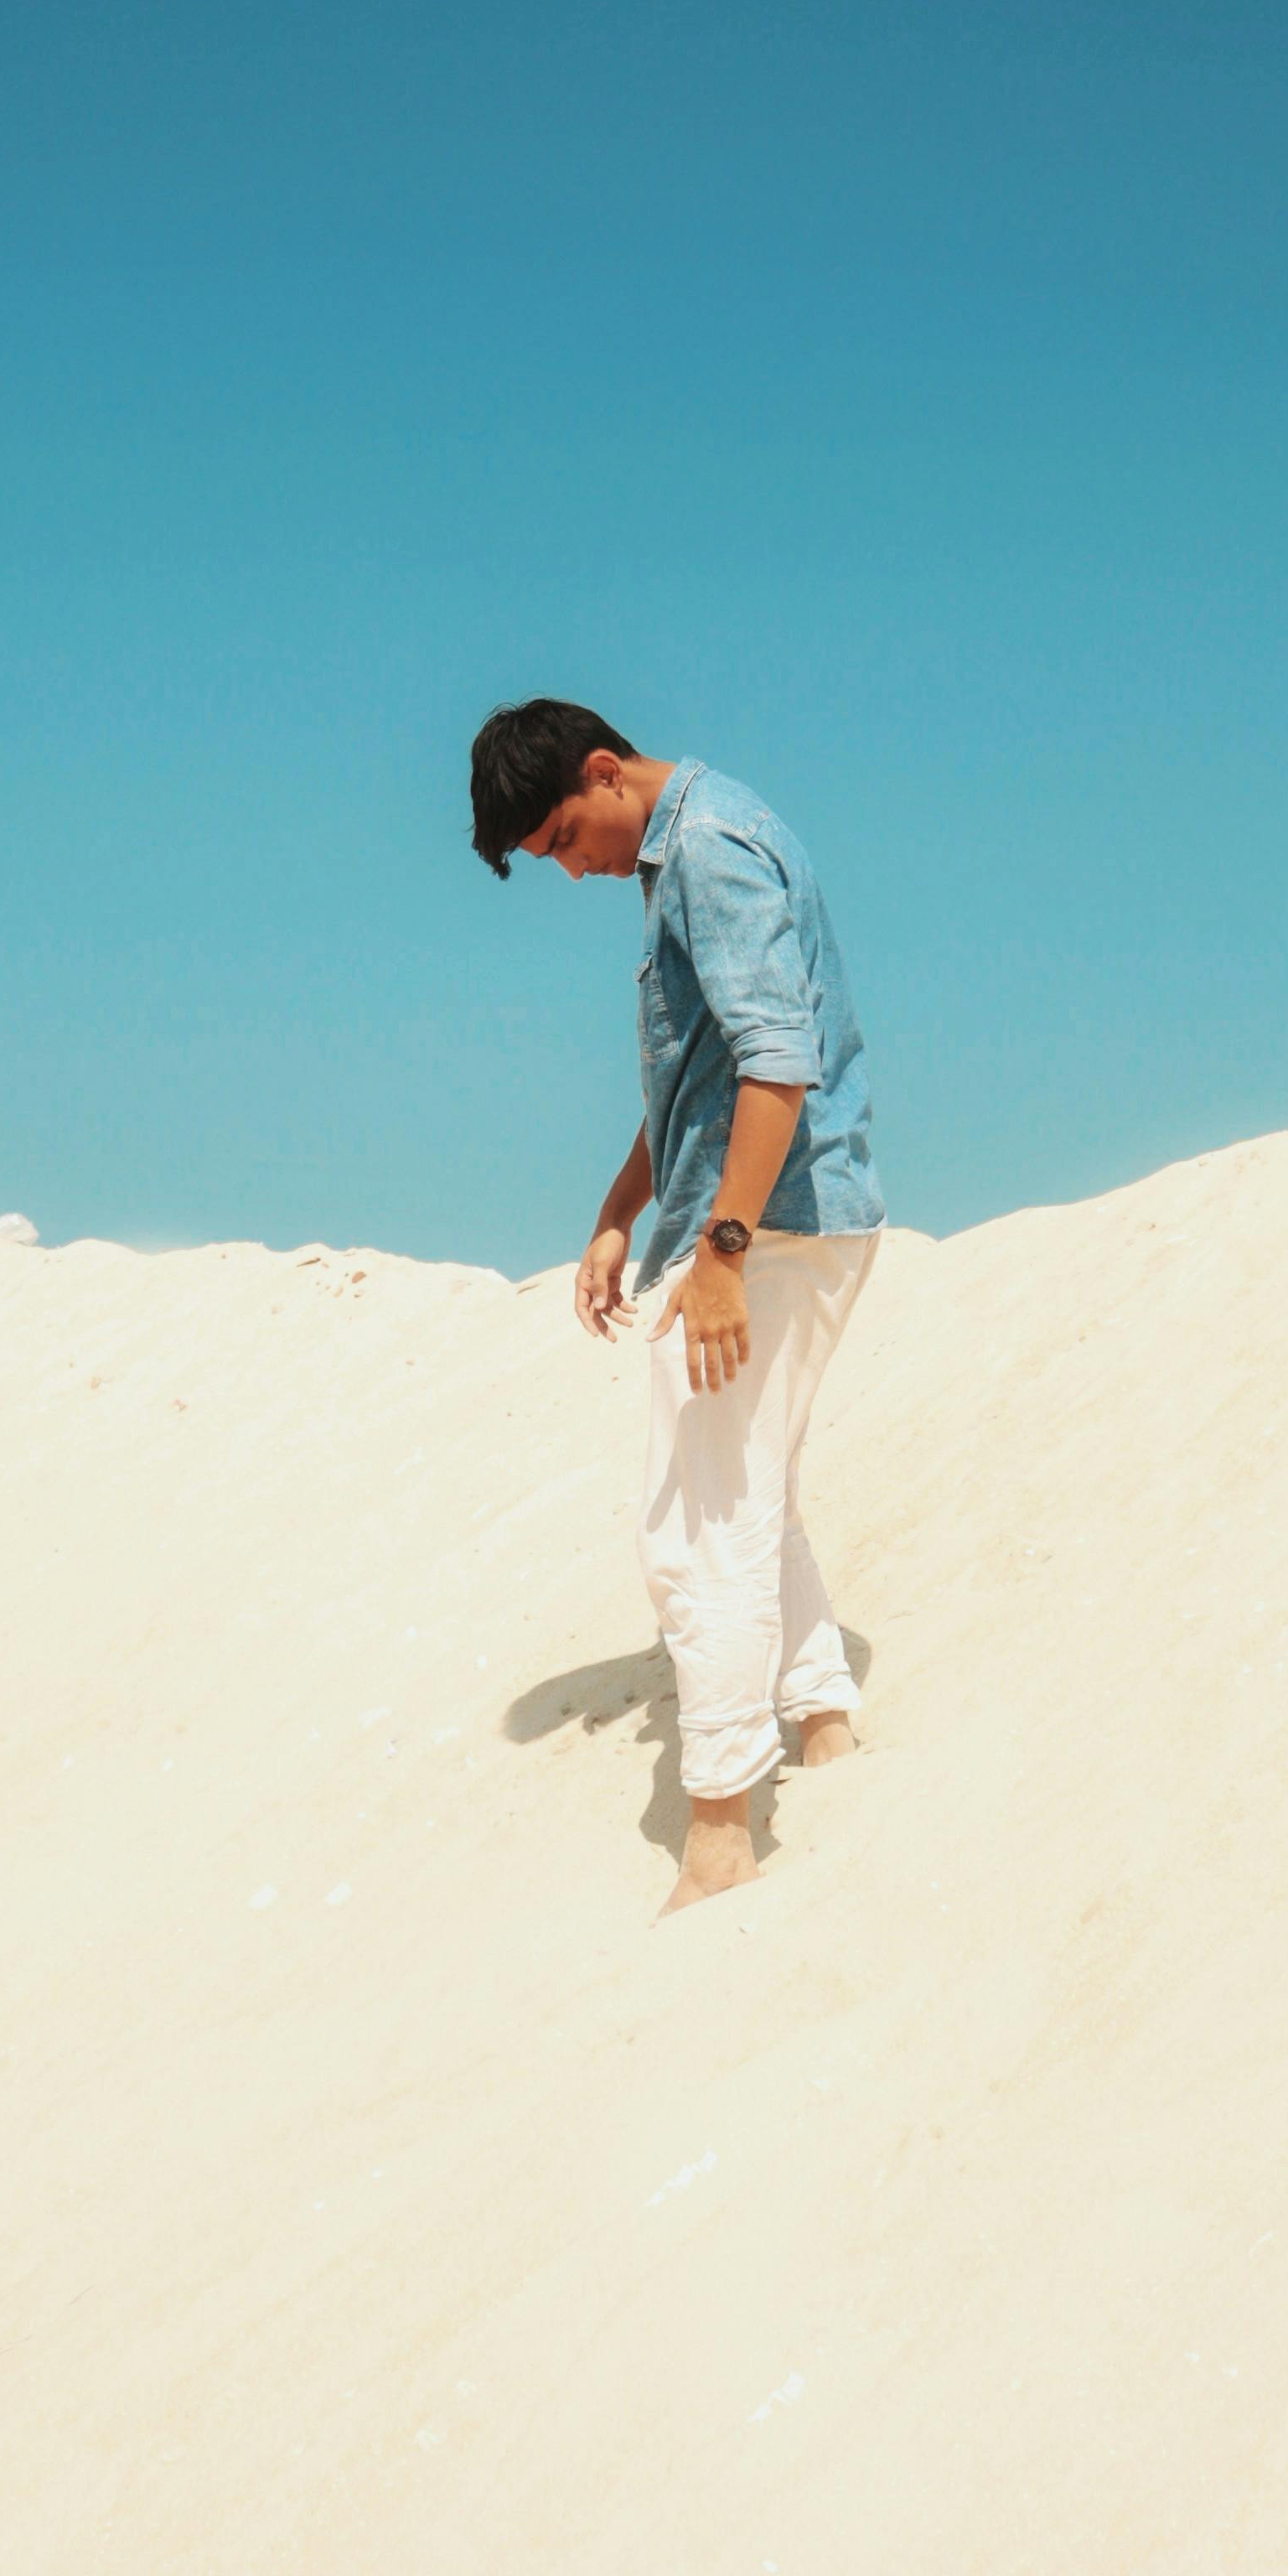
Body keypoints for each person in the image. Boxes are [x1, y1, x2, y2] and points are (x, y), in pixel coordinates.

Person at [469, 702, 884, 1908]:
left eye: (562, 834)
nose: (571, 864)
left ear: (605, 772)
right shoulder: (694, 844)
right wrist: (617, 1209)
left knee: (696, 1524)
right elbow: (702, 1075)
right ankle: (824, 1730)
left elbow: (776, 1059)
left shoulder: (706, 849)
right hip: (776, 1215)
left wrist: (720, 1253)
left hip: (777, 1224)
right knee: (748, 1491)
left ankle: (721, 1832)